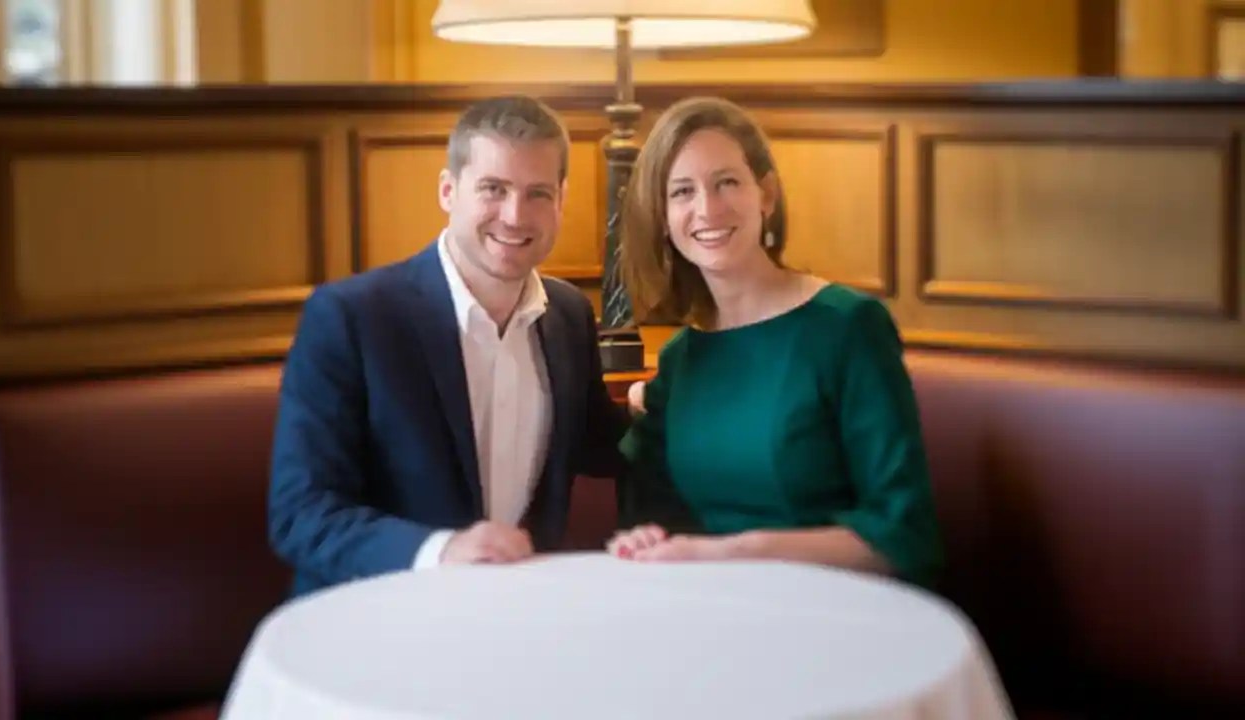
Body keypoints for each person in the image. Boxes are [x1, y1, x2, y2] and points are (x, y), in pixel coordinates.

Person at [270, 95, 627, 598]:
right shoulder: (351, 316)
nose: (515, 215)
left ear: (562, 200)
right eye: (493, 189)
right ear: (448, 190)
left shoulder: (569, 314)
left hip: (522, 611)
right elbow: (302, 515)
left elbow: (600, 444)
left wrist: (685, 408)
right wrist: (442, 551)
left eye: (538, 194)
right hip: (375, 612)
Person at [608, 97, 943, 587]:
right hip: (714, 605)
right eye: (682, 191)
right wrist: (646, 542)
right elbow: (654, 517)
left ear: (765, 194)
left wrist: (742, 551)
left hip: (841, 605)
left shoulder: (849, 328)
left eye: (726, 182)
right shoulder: (681, 361)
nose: (707, 208)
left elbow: (904, 534)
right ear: (662, 216)